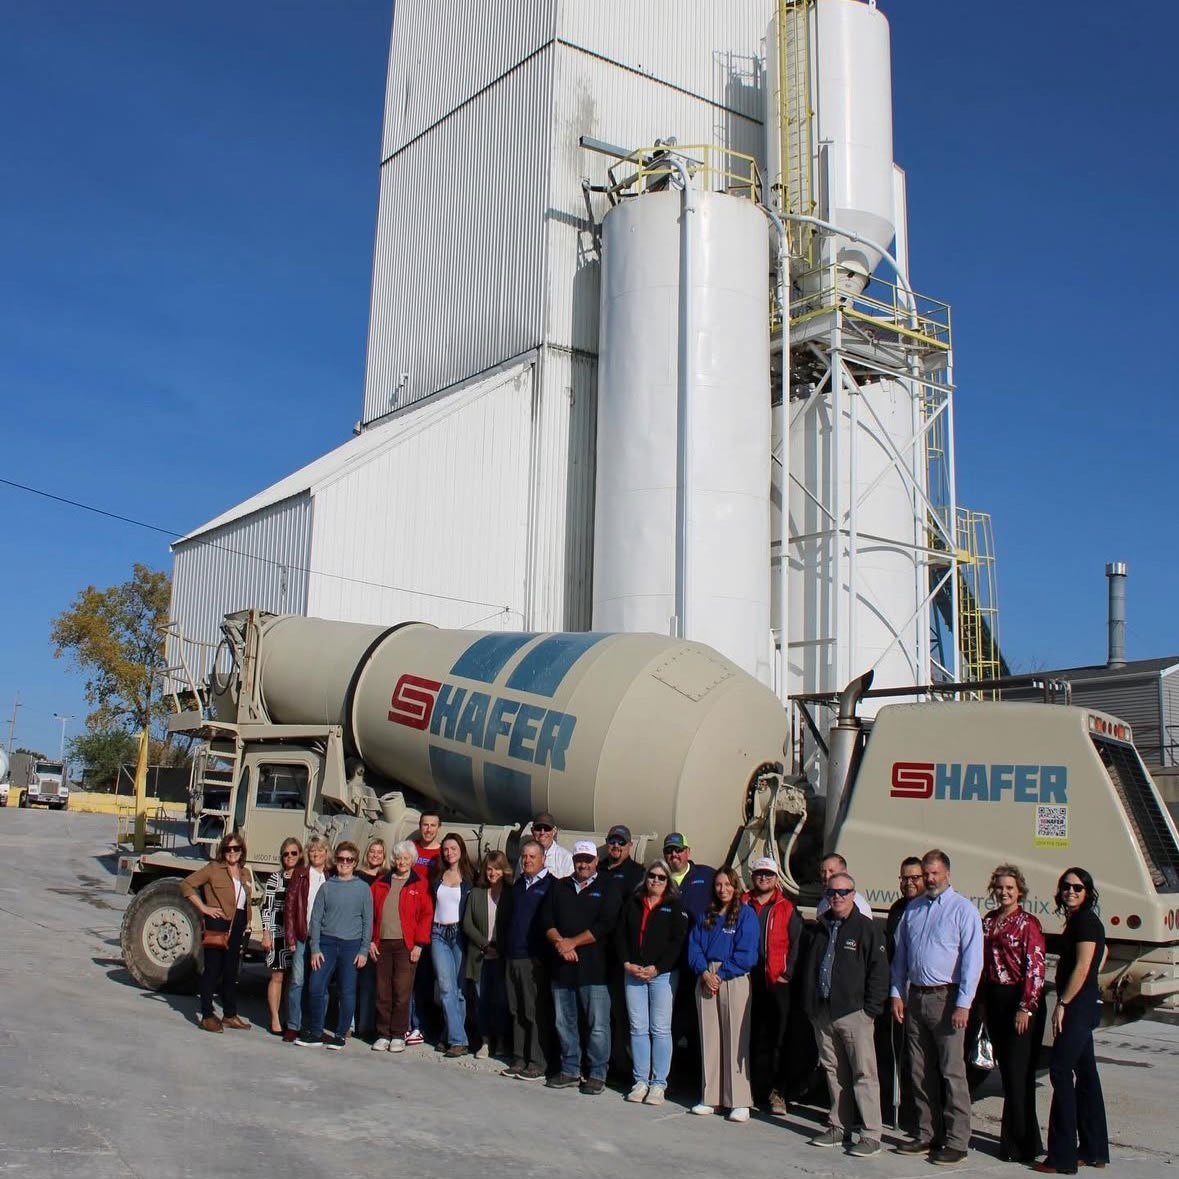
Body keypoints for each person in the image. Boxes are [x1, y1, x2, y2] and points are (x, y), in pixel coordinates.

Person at [889, 848, 983, 1166]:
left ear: (947, 874)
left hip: (947, 999)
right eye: (925, 874)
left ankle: (957, 1140)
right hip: (915, 998)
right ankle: (925, 1133)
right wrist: (897, 993)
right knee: (918, 1070)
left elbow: (972, 961)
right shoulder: (913, 911)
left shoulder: (963, 910)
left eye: (934, 873)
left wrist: (963, 1003)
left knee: (952, 1072)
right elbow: (901, 958)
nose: (929, 879)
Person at [801, 870, 890, 1157]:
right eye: (831, 893)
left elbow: (879, 972)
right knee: (834, 1072)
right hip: (824, 1012)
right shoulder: (822, 926)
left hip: (854, 1013)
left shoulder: (867, 929)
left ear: (853, 895)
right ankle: (839, 1126)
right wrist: (811, 1007)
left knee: (864, 1073)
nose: (837, 897)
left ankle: (871, 1134)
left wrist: (871, 1010)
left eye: (842, 892)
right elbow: (811, 967)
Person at [1034, 867, 1109, 1175]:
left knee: (1061, 1072)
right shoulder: (1080, 922)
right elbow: (1101, 957)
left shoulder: (1086, 923)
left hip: (1078, 1006)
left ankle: (1062, 1157)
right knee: (1087, 1074)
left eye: (1077, 888)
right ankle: (1093, 1150)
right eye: (1066, 887)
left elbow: (1082, 966)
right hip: (1085, 1002)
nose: (1071, 892)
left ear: (1087, 892)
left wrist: (1062, 1003)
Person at [540, 840, 623, 1094]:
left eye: (588, 860)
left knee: (597, 1025)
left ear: (596, 861)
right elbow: (547, 920)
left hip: (595, 970)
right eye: (579, 860)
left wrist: (572, 943)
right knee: (564, 1022)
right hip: (563, 969)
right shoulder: (560, 886)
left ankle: (597, 1073)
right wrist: (560, 944)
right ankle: (570, 1069)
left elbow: (606, 923)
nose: (583, 864)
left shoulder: (608, 886)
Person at [981, 863, 1047, 1164]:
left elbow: (1035, 968)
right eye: (1000, 887)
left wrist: (1026, 1007)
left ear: (1019, 890)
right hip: (994, 999)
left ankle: (1022, 1144)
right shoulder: (989, 921)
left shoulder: (1027, 923)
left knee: (1019, 1074)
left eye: (1010, 888)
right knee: (1007, 1073)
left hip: (1019, 1000)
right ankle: (1017, 1139)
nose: (1004, 892)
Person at [687, 867, 759, 1122]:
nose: (723, 889)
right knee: (710, 1037)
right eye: (718, 885)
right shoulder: (706, 914)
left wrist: (721, 974)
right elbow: (694, 945)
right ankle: (711, 1097)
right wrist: (704, 973)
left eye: (728, 884)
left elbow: (747, 953)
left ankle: (739, 1100)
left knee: (734, 1037)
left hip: (733, 977)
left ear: (735, 886)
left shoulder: (746, 915)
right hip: (706, 976)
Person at [615, 857, 689, 1105]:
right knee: (638, 1028)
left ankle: (658, 1084)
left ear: (668, 881)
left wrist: (657, 969)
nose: (655, 881)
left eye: (661, 877)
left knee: (660, 1029)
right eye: (652, 876)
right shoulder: (633, 904)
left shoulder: (675, 906)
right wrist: (627, 962)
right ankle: (640, 1081)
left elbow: (677, 943)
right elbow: (621, 936)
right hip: (633, 973)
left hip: (662, 976)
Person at [741, 856, 802, 1115]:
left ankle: (777, 1092)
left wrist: (788, 973)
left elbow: (796, 942)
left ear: (776, 879)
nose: (763, 879)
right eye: (759, 874)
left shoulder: (786, 907)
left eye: (768, 875)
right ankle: (752, 1089)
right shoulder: (743, 902)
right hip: (747, 979)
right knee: (752, 1036)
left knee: (778, 1037)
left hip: (775, 980)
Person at [299, 840, 373, 1050]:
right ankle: (316, 1031)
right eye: (340, 859)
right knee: (315, 986)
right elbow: (315, 919)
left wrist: (363, 950)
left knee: (347, 991)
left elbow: (368, 921)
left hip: (351, 945)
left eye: (349, 860)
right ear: (336, 860)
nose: (344, 863)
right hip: (327, 943)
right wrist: (315, 949)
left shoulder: (363, 889)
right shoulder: (326, 887)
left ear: (355, 862)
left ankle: (340, 1035)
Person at [181, 832, 254, 1033]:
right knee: (213, 970)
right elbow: (186, 885)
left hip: (237, 924)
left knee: (231, 971)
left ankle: (230, 1014)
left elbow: (245, 900)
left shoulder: (244, 872)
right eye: (228, 849)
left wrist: (247, 921)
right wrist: (204, 908)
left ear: (241, 851)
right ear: (223, 850)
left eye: (236, 849)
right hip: (218, 923)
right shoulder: (213, 869)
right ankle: (206, 1014)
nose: (232, 853)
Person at [498, 838, 556, 1081]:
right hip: (513, 955)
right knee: (515, 1009)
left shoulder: (551, 887)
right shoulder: (518, 885)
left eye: (533, 856)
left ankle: (537, 1061)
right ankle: (519, 1057)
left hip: (533, 959)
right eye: (525, 857)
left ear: (543, 859)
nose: (528, 860)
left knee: (534, 1012)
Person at [370, 840, 433, 1052]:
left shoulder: (420, 884)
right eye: (398, 858)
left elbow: (426, 915)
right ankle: (383, 1034)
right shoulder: (380, 883)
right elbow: (371, 914)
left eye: (406, 858)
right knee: (382, 991)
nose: (402, 862)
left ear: (412, 860)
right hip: (383, 944)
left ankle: (398, 1034)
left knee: (402, 991)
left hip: (406, 945)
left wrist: (420, 944)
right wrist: (371, 940)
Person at [877, 855, 924, 1133]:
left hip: (920, 992)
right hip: (896, 992)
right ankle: (894, 1110)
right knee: (895, 1054)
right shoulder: (897, 909)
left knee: (918, 1059)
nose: (909, 883)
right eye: (904, 878)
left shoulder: (927, 908)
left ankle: (917, 1116)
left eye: (914, 878)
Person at [600, 823, 644, 1082]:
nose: (616, 847)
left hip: (621, 954)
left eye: (621, 843)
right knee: (598, 1013)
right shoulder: (599, 869)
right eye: (612, 842)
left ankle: (624, 1066)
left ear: (630, 846)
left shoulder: (637, 873)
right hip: (597, 952)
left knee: (623, 1014)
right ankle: (601, 1063)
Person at [463, 850, 513, 1059]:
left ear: (505, 870)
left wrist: (500, 946)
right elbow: (467, 924)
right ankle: (484, 1042)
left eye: (497, 869)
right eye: (489, 869)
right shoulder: (476, 893)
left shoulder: (511, 894)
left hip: (502, 956)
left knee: (500, 1001)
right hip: (481, 955)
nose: (493, 873)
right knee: (482, 1000)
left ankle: (500, 1041)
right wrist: (485, 944)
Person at [429, 833, 475, 1057]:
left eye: (453, 848)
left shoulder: (469, 878)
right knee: (446, 987)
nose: (449, 853)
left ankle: (448, 1034)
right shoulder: (437, 875)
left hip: (458, 934)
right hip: (438, 933)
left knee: (458, 991)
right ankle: (459, 1040)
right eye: (446, 849)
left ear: (461, 850)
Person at [283, 834, 331, 1041]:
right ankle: (294, 1025)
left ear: (326, 852)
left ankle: (316, 1026)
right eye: (312, 850)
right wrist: (291, 938)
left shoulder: (332, 876)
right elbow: (290, 907)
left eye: (320, 850)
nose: (316, 853)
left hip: (324, 938)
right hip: (304, 935)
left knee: (321, 985)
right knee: (297, 981)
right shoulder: (301, 874)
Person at [260, 836, 302, 1035]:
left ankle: (289, 1017)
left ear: (300, 854)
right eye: (286, 854)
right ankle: (275, 1019)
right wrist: (266, 933)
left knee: (293, 979)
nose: (290, 857)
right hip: (278, 932)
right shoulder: (274, 879)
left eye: (294, 853)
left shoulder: (303, 877)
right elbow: (266, 908)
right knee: (277, 975)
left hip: (297, 934)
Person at [407, 809, 442, 1045]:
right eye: (425, 825)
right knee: (407, 978)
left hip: (431, 922)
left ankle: (421, 1025)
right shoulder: (412, 849)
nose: (428, 829)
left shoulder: (441, 853)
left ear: (438, 828)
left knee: (426, 980)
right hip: (410, 922)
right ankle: (406, 1025)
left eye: (432, 825)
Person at [354, 838, 388, 1039]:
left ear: (384, 857)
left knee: (370, 984)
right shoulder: (357, 876)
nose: (375, 855)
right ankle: (348, 1024)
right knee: (350, 983)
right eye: (372, 851)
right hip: (356, 933)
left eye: (379, 852)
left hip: (376, 936)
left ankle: (365, 1026)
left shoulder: (386, 879)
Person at [816, 853, 873, 918]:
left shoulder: (859, 906)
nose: (827, 876)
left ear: (844, 873)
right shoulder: (823, 903)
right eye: (823, 872)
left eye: (831, 871)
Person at [526, 812, 574, 879]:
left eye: (547, 828)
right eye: (538, 828)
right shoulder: (525, 857)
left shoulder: (566, 858)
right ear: (532, 831)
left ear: (554, 831)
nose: (542, 832)